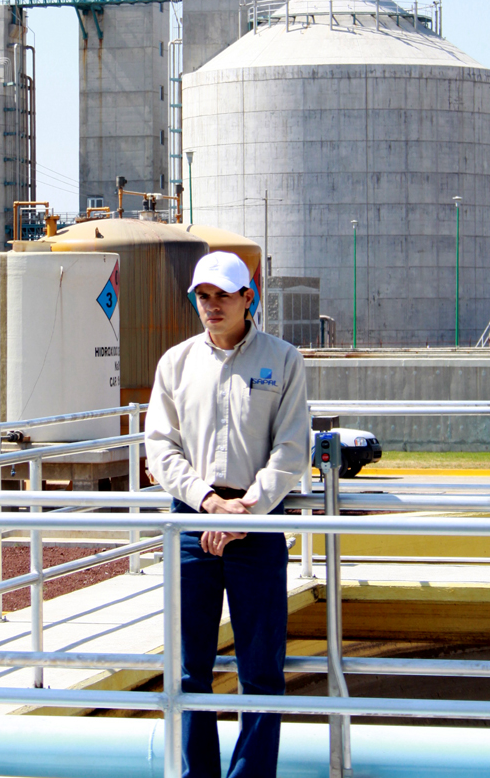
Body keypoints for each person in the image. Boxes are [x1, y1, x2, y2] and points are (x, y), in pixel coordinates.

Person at [145, 251, 309, 778]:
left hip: (256, 527)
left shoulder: (283, 359)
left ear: (247, 298)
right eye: (203, 296)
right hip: (192, 522)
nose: (211, 306)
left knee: (260, 669)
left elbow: (291, 447)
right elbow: (160, 449)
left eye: (222, 295)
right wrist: (209, 503)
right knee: (190, 668)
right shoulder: (175, 363)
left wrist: (249, 508)